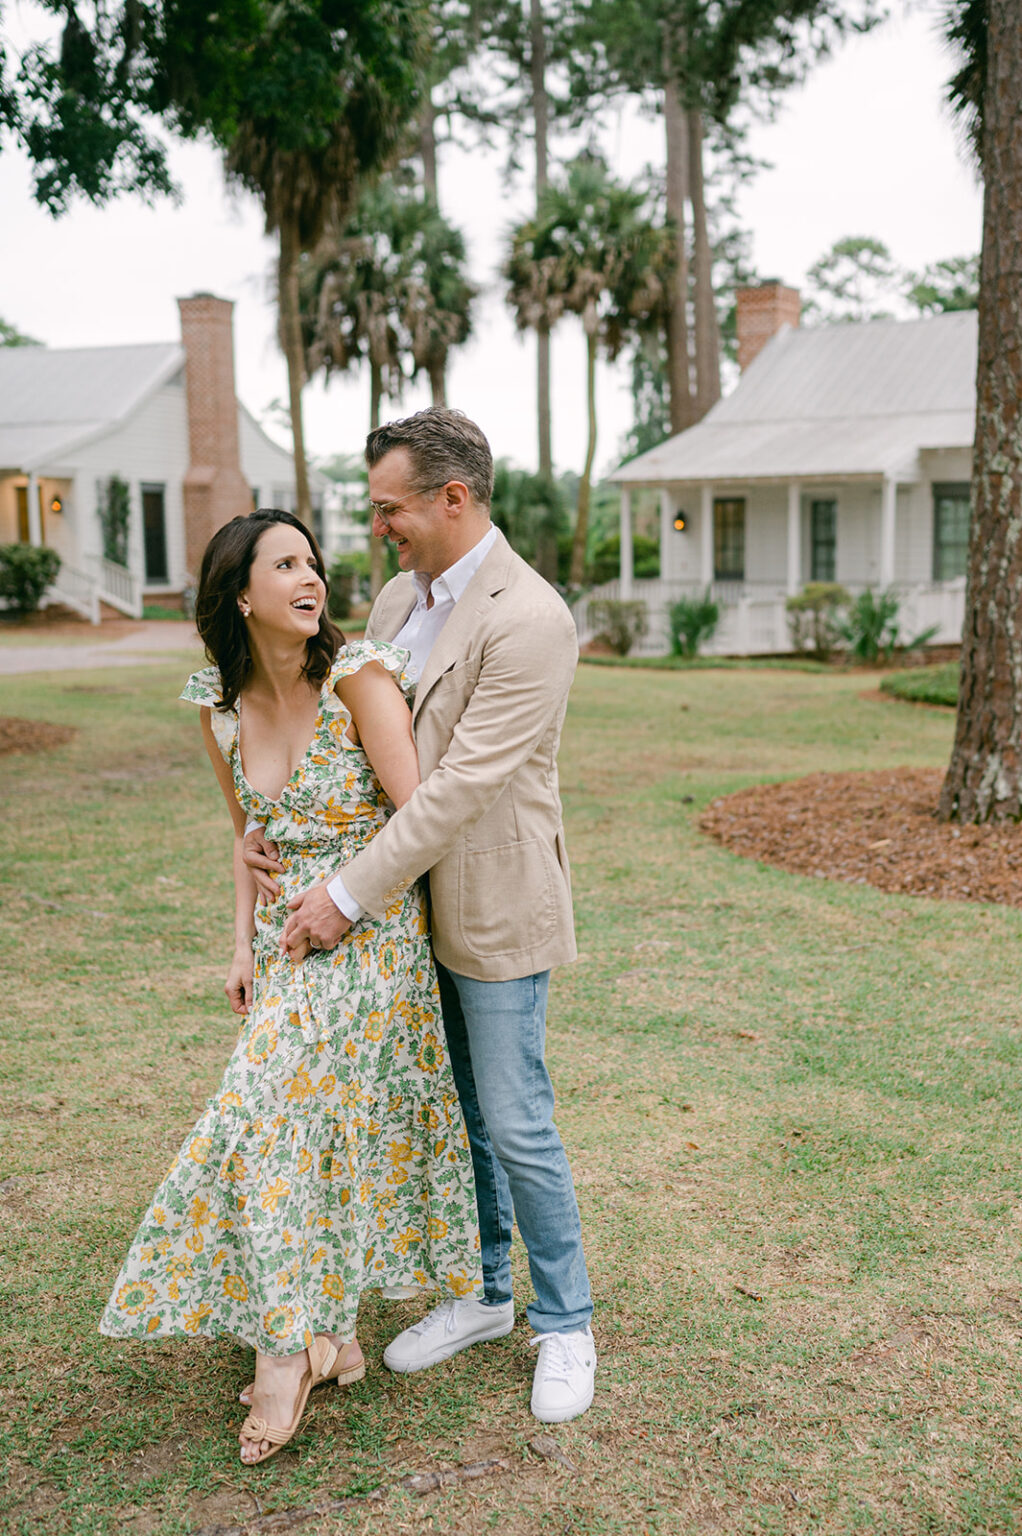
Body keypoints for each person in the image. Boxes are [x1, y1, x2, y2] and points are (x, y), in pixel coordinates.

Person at [100, 508, 481, 1466]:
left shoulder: (360, 681)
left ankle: (286, 1351)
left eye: (313, 561)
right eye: (285, 565)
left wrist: (346, 900)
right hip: (283, 946)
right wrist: (240, 943)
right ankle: (331, 1331)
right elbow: (249, 838)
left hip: (372, 933)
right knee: (304, 1130)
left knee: (269, 1117)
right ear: (241, 595)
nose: (310, 578)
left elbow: (424, 817)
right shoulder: (216, 703)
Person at [246, 408, 595, 1423]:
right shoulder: (399, 597)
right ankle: (485, 1294)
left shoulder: (530, 617)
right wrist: (267, 827)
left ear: (454, 499)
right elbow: (356, 736)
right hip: (405, 917)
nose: (379, 528)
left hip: (492, 903)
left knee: (516, 1115)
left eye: (391, 508)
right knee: (458, 1116)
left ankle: (565, 1322)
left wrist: (343, 896)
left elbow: (456, 791)